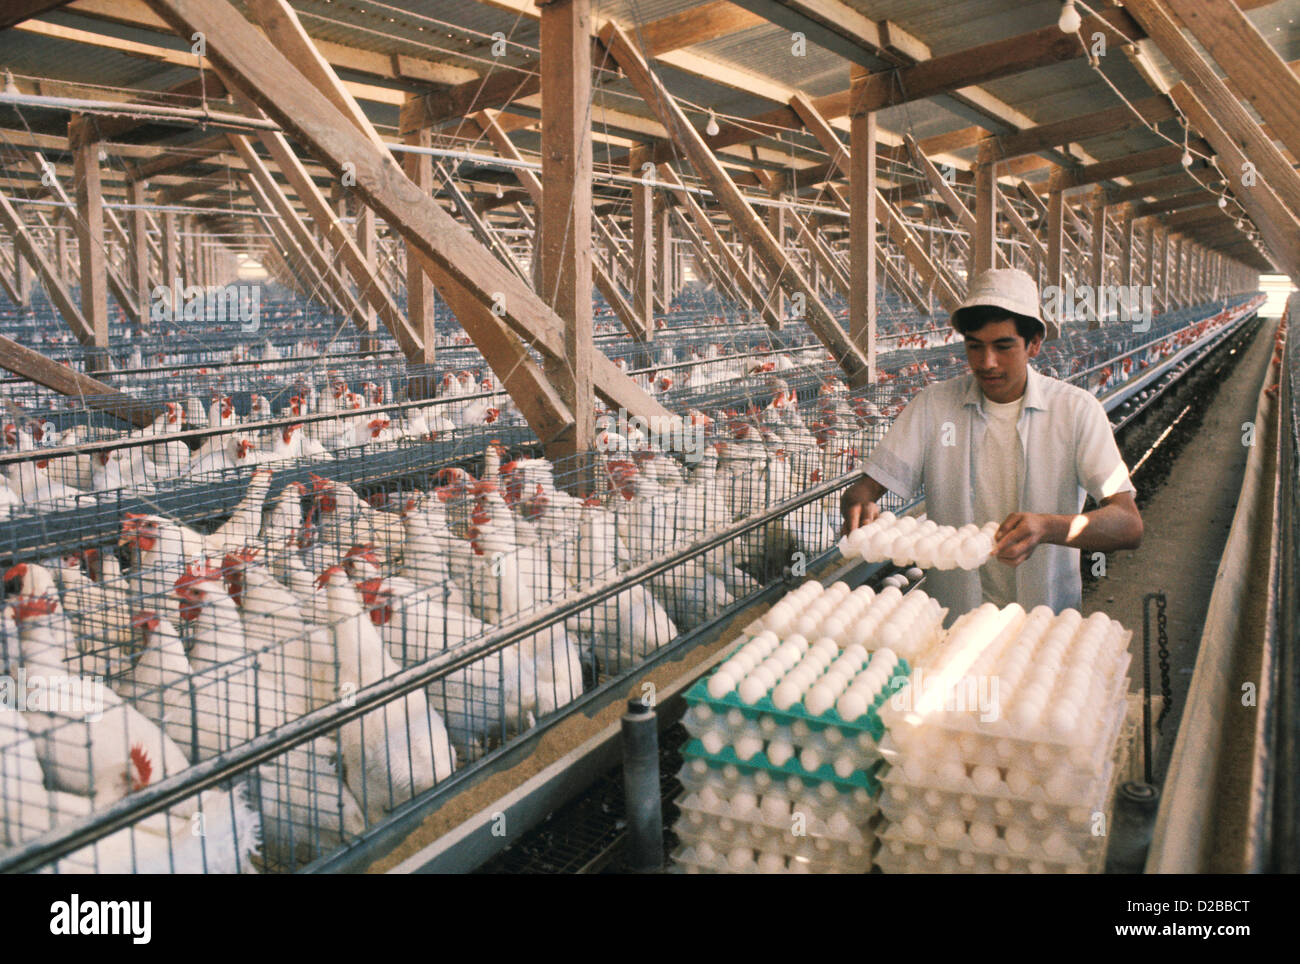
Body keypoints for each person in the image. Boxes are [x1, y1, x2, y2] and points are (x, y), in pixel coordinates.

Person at [840, 268, 1143, 616]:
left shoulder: (1075, 411)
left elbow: (1128, 524)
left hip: (1043, 623)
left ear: (1034, 344)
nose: (987, 363)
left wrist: (1047, 528)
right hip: (952, 625)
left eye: (1003, 347)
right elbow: (864, 491)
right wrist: (860, 506)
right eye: (975, 347)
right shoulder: (934, 407)